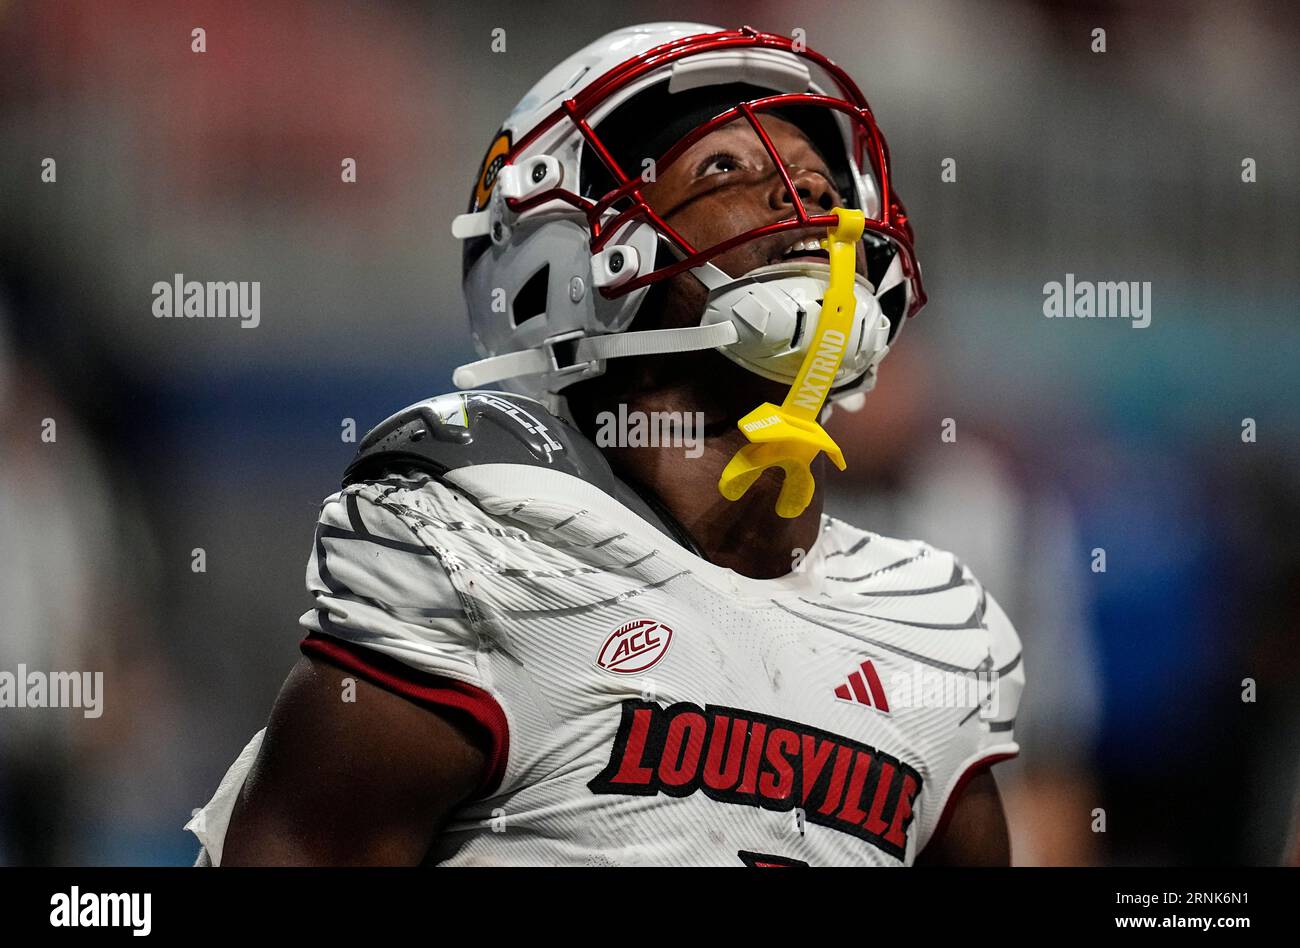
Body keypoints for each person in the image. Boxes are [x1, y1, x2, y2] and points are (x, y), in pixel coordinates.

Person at [189, 22, 1024, 867]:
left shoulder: (923, 624)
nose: (803, 201)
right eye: (726, 168)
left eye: (815, 178)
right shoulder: (491, 546)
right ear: (574, 256)